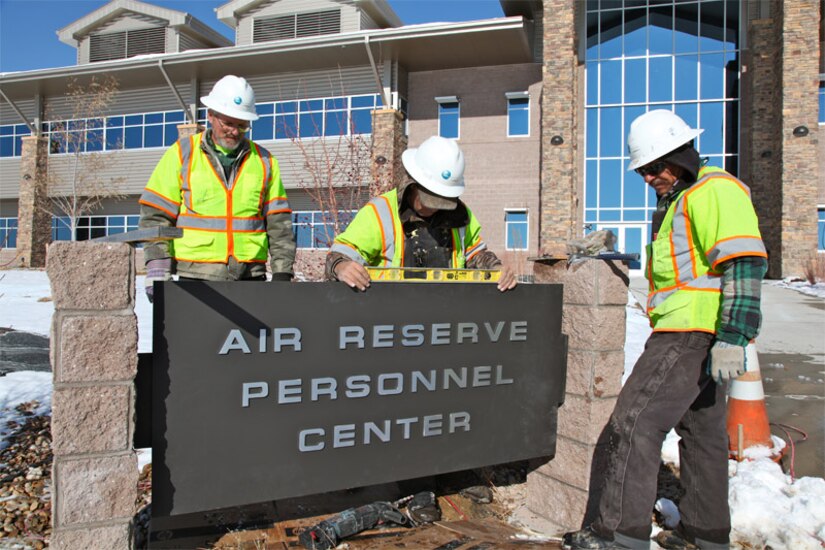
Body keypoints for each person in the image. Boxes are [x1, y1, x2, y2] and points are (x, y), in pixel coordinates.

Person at [563, 110, 767, 550]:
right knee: (702, 434)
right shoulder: (682, 197)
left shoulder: (714, 190)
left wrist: (734, 336)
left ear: (682, 155)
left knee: (634, 422)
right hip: (695, 331)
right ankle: (705, 534)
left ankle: (618, 535)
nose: (649, 177)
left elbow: (745, 262)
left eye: (655, 167)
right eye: (643, 170)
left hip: (691, 332)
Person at [139, 75, 296, 301]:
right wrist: (157, 265)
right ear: (211, 115)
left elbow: (279, 224)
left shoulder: (264, 161)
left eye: (242, 125)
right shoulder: (182, 154)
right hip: (195, 278)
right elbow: (155, 216)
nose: (234, 131)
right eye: (229, 123)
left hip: (250, 278)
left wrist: (282, 273)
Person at [325, 135, 516, 291]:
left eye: (443, 201)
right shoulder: (379, 212)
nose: (435, 208)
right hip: (390, 317)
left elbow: (476, 255)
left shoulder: (460, 214)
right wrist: (341, 267)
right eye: (430, 200)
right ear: (412, 184)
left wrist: (497, 269)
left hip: (446, 318)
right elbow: (337, 257)